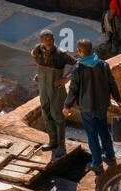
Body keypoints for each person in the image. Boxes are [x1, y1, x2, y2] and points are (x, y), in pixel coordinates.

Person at [65, 38, 121, 173]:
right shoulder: (103, 65)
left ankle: (97, 163)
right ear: (92, 50)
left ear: (79, 51)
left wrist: (67, 106)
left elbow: (73, 89)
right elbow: (112, 83)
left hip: (87, 107)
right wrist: (118, 100)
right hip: (102, 105)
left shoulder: (78, 69)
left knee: (92, 135)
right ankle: (111, 157)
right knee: (104, 131)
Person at [30, 28, 75, 159]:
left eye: (51, 39)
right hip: (43, 87)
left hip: (56, 89)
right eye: (46, 40)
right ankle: (52, 141)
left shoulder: (61, 53)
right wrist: (39, 74)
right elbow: (34, 57)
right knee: (45, 112)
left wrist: (66, 78)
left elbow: (77, 64)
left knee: (58, 116)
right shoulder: (38, 49)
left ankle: (61, 146)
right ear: (41, 40)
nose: (49, 42)